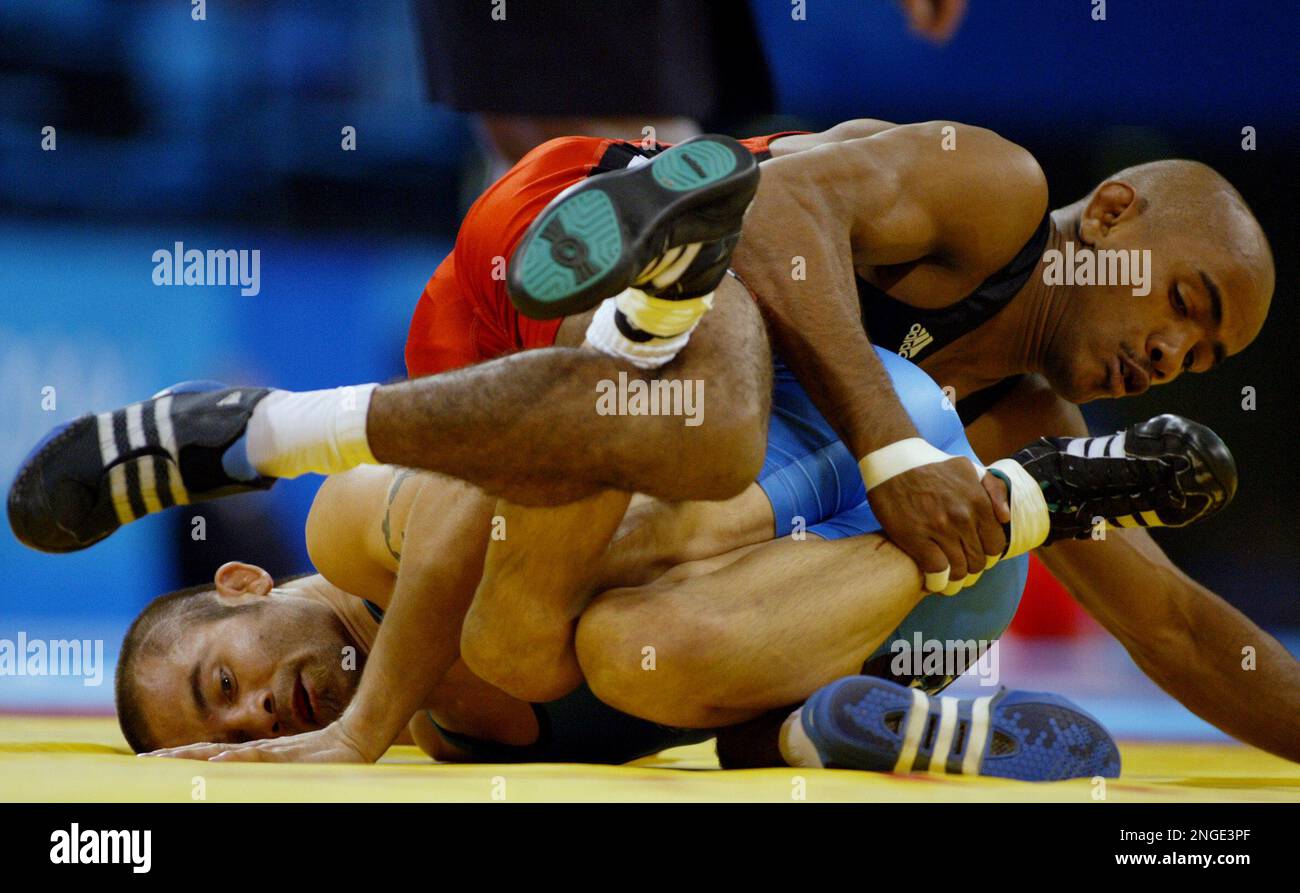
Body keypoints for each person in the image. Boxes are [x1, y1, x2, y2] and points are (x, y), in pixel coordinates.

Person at [12, 119, 1286, 758]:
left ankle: (272, 431)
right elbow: (786, 200)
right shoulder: (997, 211)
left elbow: (1175, 629)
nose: (1172, 355)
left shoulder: (996, 240)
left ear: (242, 586)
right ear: (1111, 212)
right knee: (630, 635)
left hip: (648, 321)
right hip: (651, 398)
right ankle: (850, 696)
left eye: (1203, 349)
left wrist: (362, 731)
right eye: (1184, 302)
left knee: (679, 475)